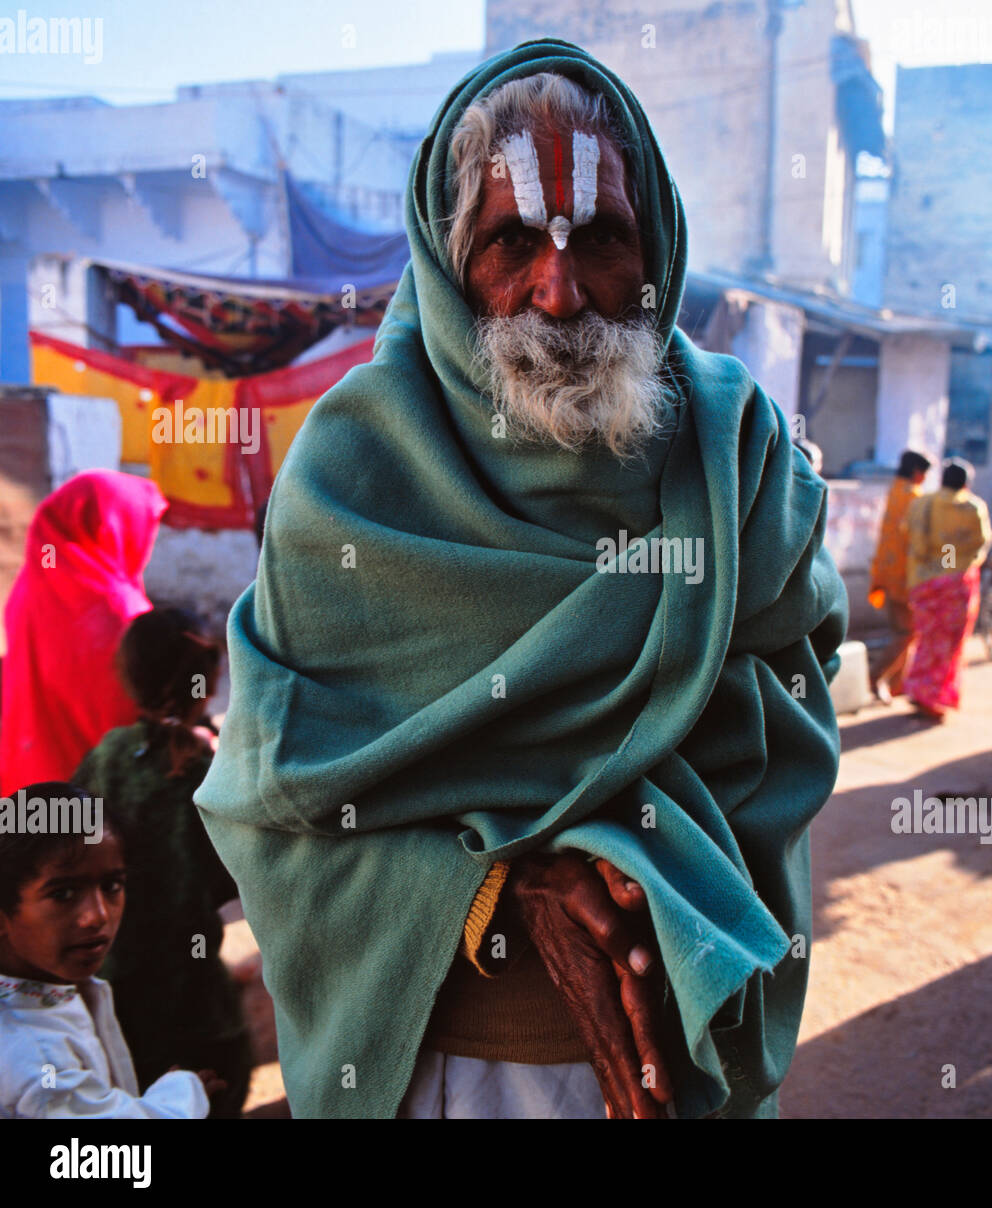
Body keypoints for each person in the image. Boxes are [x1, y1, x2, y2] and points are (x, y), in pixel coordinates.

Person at [195, 42, 848, 1121]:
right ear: (450, 261)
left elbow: (787, 728)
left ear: (657, 251)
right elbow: (271, 801)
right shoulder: (351, 477)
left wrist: (634, 855)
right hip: (441, 1071)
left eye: (599, 237)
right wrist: (499, 883)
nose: (559, 291)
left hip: (687, 1068)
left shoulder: (744, 458)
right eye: (511, 242)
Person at [73, 608, 252, 1118]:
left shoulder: (109, 754)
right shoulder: (209, 770)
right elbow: (231, 874)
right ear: (209, 682)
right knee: (214, 1092)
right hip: (194, 996)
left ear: (127, 678)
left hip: (118, 981)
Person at [0, 782, 218, 1117]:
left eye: (112, 886)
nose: (97, 915)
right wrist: (182, 1094)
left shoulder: (45, 993)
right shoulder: (37, 1056)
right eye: (63, 894)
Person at [1, 471, 168, 791]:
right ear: (117, 529)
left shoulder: (30, 589)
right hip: (99, 799)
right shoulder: (122, 613)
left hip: (28, 784)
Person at [901, 458, 992, 721]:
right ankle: (933, 696)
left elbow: (913, 540)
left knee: (927, 639)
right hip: (955, 584)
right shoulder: (972, 507)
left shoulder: (920, 504)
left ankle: (919, 691)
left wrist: (933, 565)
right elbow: (980, 544)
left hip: (922, 582)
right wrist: (950, 564)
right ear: (966, 483)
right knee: (948, 645)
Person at [867, 450, 931, 704]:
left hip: (886, 570)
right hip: (905, 576)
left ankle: (898, 684)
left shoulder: (895, 490)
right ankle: (876, 677)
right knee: (905, 633)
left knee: (906, 630)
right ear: (918, 473)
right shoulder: (915, 497)